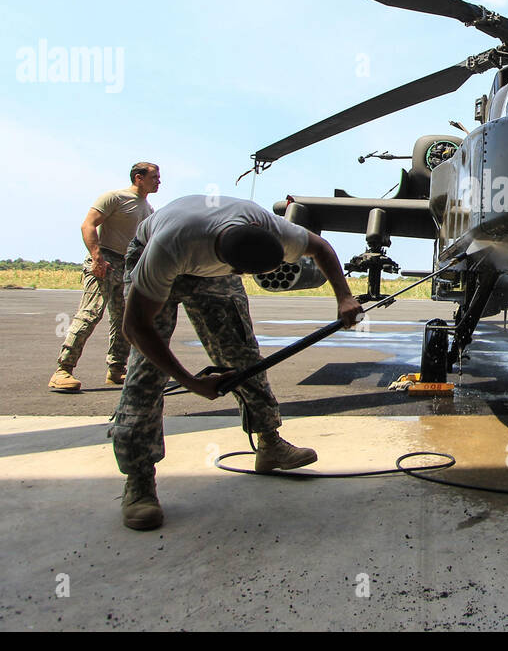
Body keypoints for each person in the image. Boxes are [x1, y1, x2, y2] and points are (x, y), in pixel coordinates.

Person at [109, 194, 361, 531]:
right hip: (158, 250)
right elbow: (134, 328)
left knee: (242, 355)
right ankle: (139, 481)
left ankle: (269, 444)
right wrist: (191, 382)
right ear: (235, 268)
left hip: (212, 257)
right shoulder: (169, 248)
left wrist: (344, 296)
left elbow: (322, 248)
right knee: (147, 372)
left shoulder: (269, 225)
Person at [48, 163, 160, 391]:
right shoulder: (114, 198)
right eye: (154, 177)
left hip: (129, 267)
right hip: (105, 262)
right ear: (139, 178)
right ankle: (63, 370)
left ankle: (116, 369)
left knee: (123, 320)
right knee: (90, 313)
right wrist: (97, 257)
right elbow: (88, 225)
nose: (159, 181)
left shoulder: (149, 210)